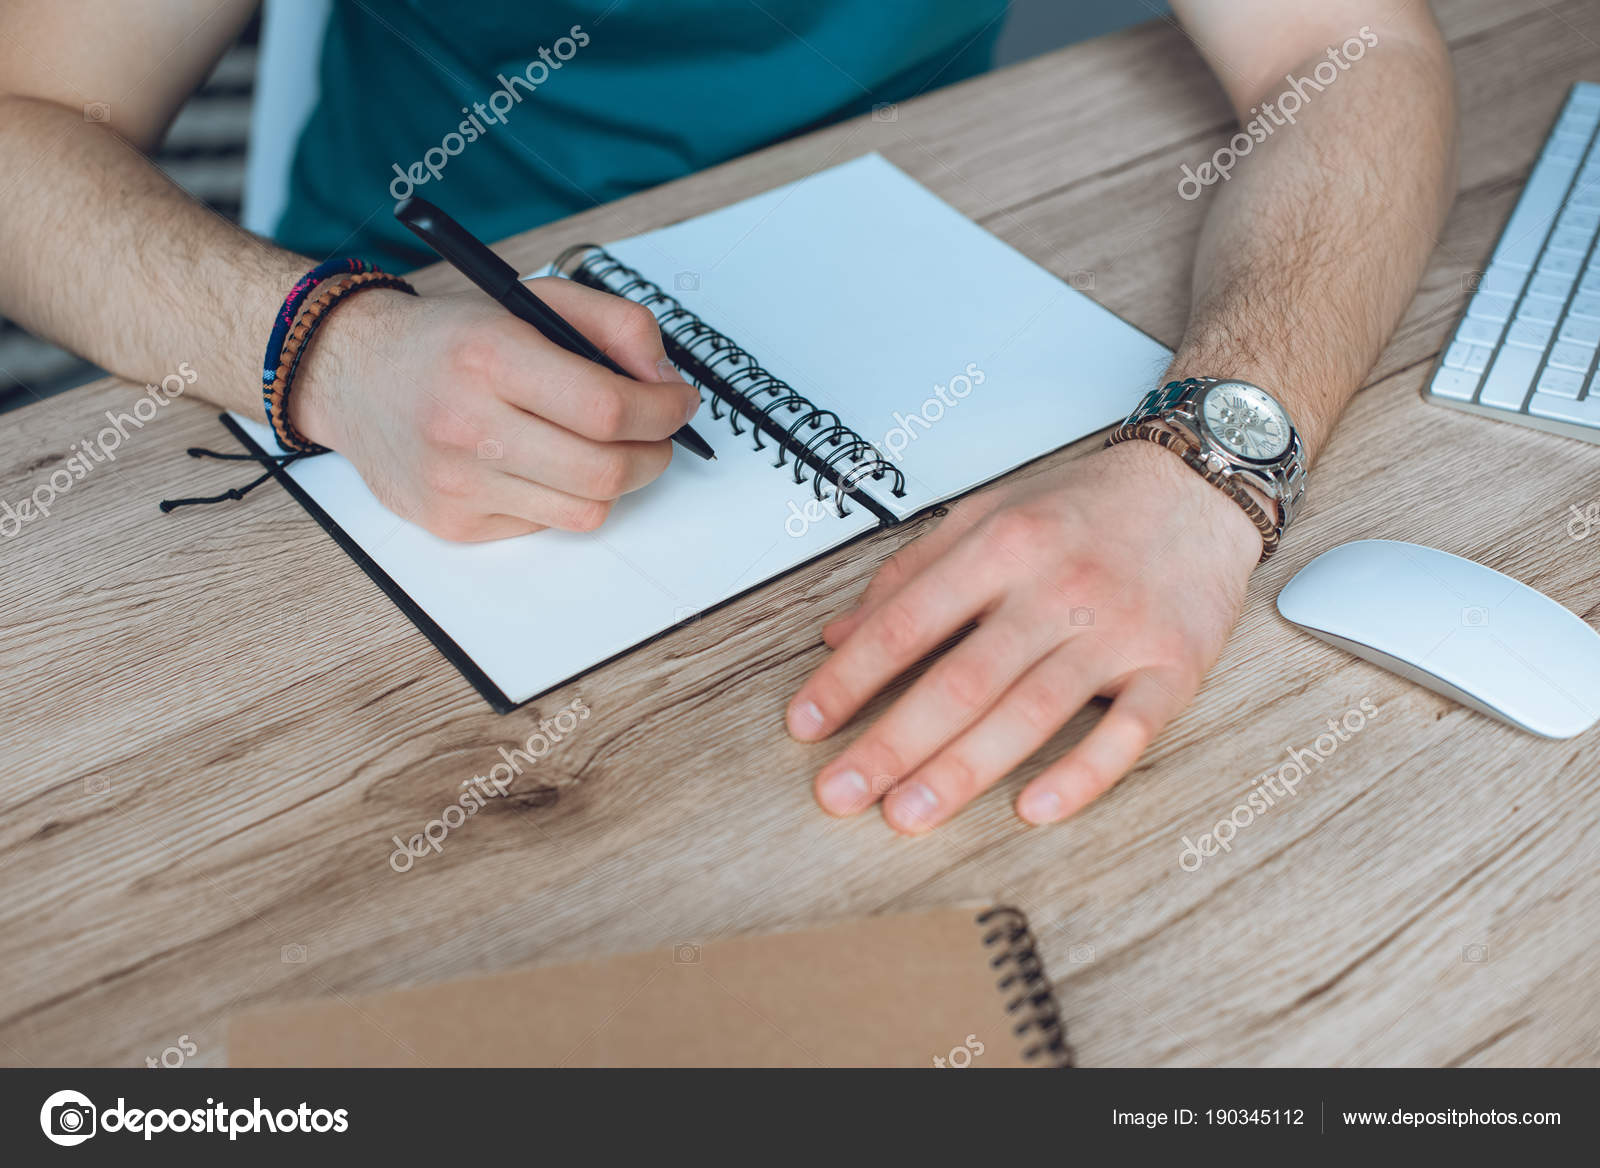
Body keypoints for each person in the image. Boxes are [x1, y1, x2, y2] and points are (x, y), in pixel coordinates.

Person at [0, 1, 1456, 833]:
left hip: (949, 309)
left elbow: (1350, 50)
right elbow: (24, 116)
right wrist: (325, 346)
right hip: (390, 396)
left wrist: (1210, 461)